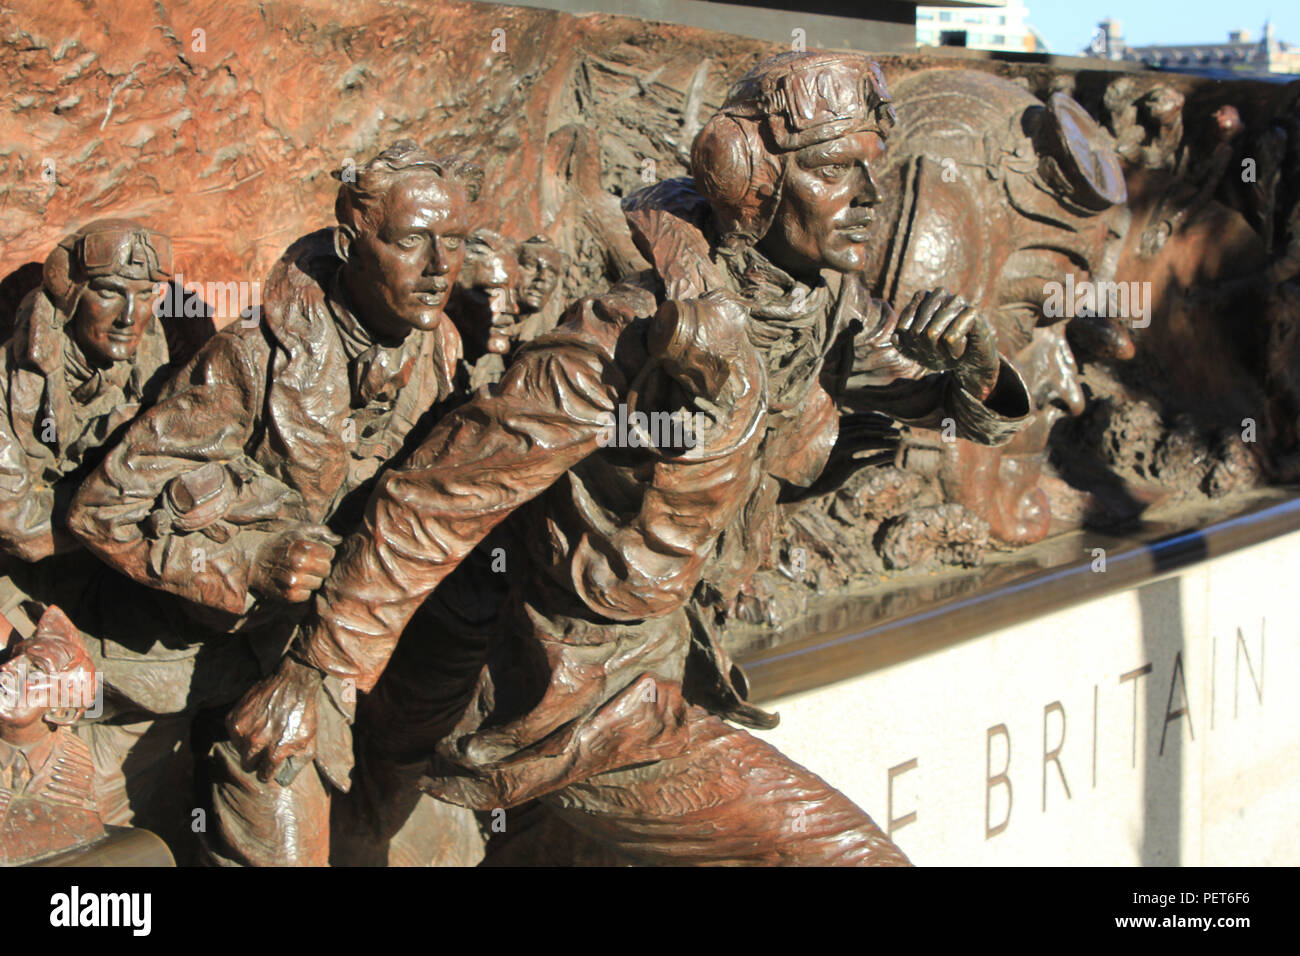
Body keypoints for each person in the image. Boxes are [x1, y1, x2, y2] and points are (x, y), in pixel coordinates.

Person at [230, 51, 1033, 865]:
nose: (868, 199)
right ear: (751, 181)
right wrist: (318, 672)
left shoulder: (820, 305)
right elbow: (440, 494)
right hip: (576, 696)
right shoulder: (624, 338)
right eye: (833, 171)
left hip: (671, 665)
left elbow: (937, 404)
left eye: (872, 170)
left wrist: (976, 370)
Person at [68, 140, 481, 865]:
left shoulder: (441, 351)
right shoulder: (252, 356)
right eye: (412, 240)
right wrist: (249, 560)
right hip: (189, 656)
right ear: (351, 243)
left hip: (327, 658)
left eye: (455, 241)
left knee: (445, 847)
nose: (440, 267)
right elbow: (103, 508)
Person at [0, 604, 104, 865]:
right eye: (14, 657)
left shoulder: (73, 778)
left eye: (35, 670)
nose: (7, 668)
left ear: (62, 712)